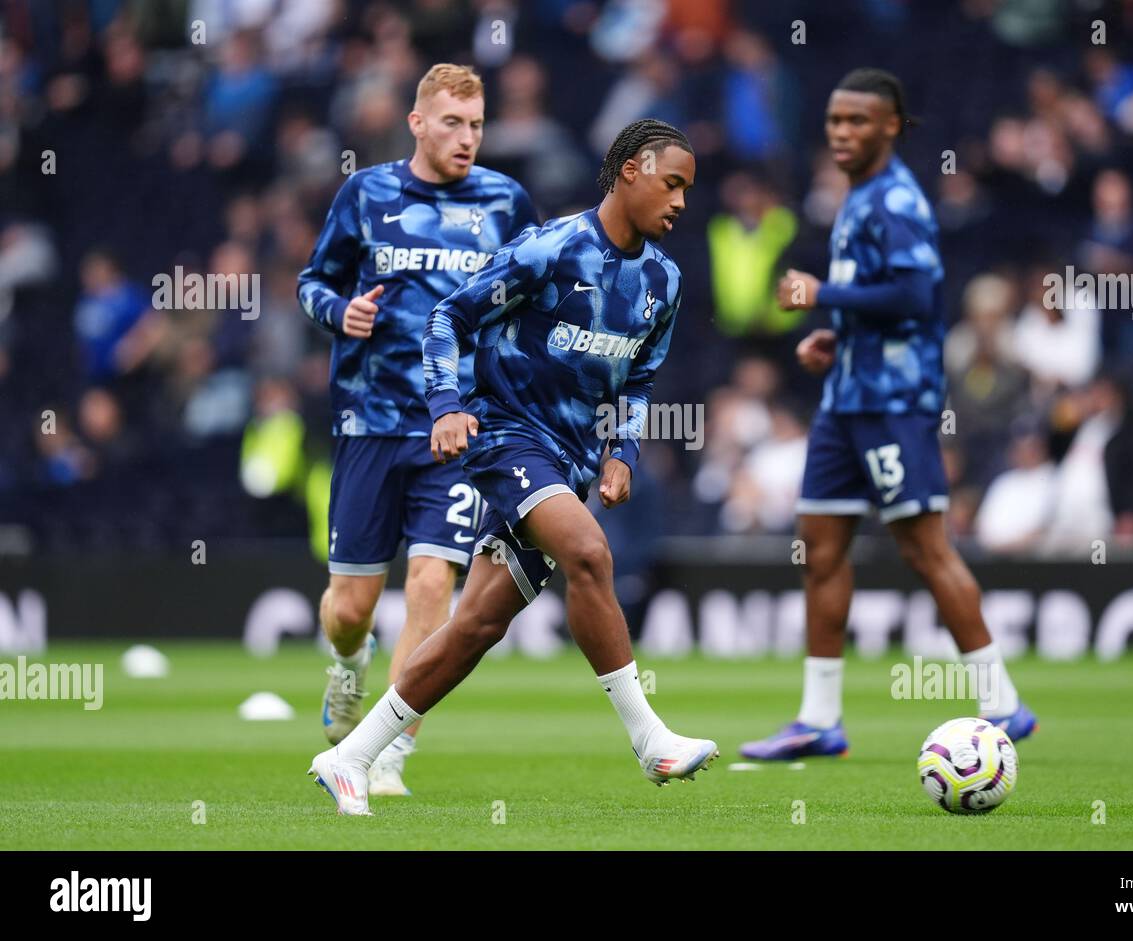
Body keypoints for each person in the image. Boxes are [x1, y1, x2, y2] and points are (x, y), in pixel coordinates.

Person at [309, 119, 717, 816]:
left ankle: (349, 755)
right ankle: (649, 738)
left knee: (475, 627)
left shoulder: (664, 280)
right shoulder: (552, 246)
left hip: (569, 459)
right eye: (672, 183)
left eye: (687, 189)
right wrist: (444, 405)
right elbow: (449, 317)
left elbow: (641, 379)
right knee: (589, 550)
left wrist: (621, 452)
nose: (681, 202)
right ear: (630, 171)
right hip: (504, 436)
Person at [741, 69, 1037, 761]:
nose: (842, 133)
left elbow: (916, 294)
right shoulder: (859, 196)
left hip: (893, 404)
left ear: (893, 127)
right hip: (845, 399)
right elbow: (880, 300)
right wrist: (837, 334)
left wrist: (824, 293)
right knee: (820, 546)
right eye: (835, 121)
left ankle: (1002, 703)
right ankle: (819, 720)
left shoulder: (898, 199)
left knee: (925, 548)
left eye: (858, 121)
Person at [297, 64, 536, 797]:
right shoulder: (365, 194)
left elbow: (532, 295)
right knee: (349, 608)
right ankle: (348, 663)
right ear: (417, 123)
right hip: (370, 420)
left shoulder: (505, 201)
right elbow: (314, 281)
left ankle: (386, 752)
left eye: (476, 123)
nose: (467, 138)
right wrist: (342, 314)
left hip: (454, 424)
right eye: (452, 123)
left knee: (432, 583)